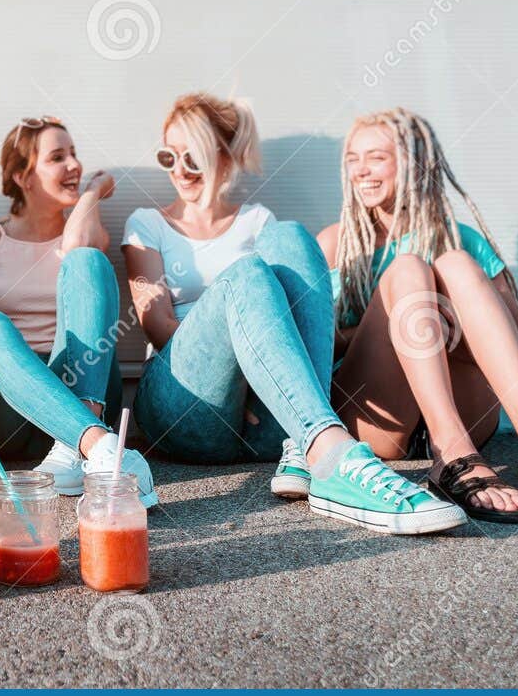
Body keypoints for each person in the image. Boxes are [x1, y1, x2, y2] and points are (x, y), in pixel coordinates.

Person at [123, 92, 465, 534]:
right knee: (246, 275)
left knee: (291, 236)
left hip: (270, 421)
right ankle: (333, 450)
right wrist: (246, 360)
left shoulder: (257, 222)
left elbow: (291, 326)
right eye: (169, 155)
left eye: (194, 156)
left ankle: (309, 450)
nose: (179, 169)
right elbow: (159, 326)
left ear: (225, 158)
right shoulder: (146, 224)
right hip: (184, 404)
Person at [318, 108, 518, 523]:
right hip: (379, 422)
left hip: (470, 416)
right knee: (408, 270)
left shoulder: (461, 238)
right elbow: (312, 351)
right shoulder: (335, 244)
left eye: (376, 157)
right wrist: (408, 325)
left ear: (414, 163)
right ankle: (450, 453)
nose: (362, 171)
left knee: (454, 264)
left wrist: (455, 337)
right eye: (353, 159)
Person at [0, 117, 156, 506]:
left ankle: (78, 441)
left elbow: (78, 248)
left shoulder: (87, 227)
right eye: (57, 157)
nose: (73, 165)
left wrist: (91, 194)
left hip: (85, 385)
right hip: (8, 406)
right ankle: (97, 446)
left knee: (87, 262)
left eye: (75, 154)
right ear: (22, 176)